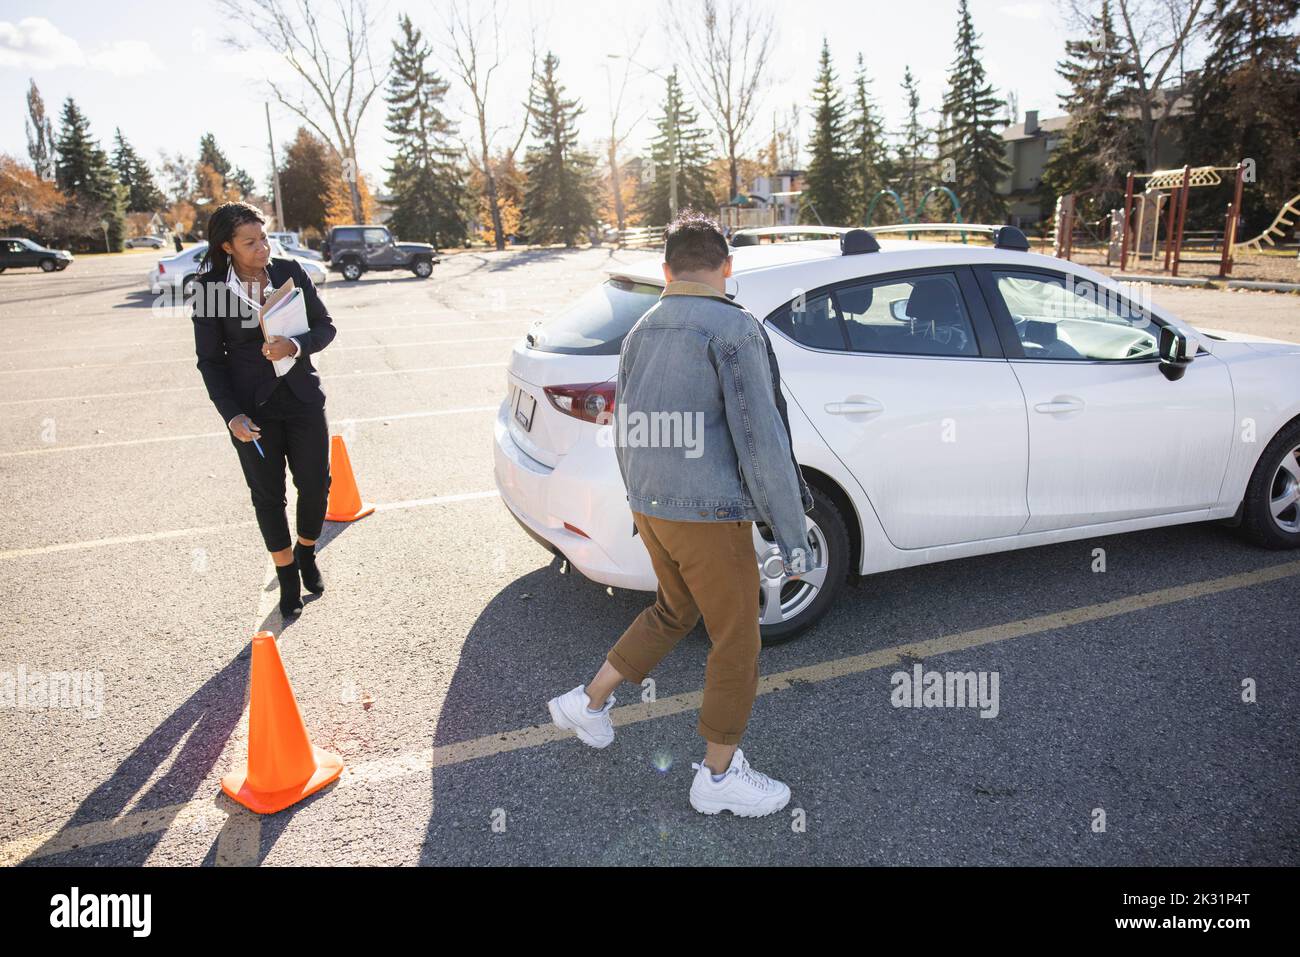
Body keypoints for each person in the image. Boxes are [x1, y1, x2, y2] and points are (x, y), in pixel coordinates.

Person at [546, 210, 814, 817]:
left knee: (675, 610)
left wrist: (640, 502)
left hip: (652, 506)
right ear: (726, 268)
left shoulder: (640, 329)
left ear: (666, 270)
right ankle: (717, 778)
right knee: (737, 639)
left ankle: (589, 703)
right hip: (707, 514)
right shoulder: (733, 329)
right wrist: (792, 534)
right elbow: (761, 439)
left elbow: (627, 427)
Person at [190, 201, 337, 618]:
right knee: (268, 497)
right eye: (250, 242)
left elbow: (325, 326)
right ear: (227, 246)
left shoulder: (290, 272)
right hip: (251, 411)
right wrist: (231, 416)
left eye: (265, 238)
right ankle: (287, 573)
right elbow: (210, 361)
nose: (263, 248)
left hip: (303, 399)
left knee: (316, 485)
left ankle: (306, 551)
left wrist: (295, 345)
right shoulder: (211, 290)